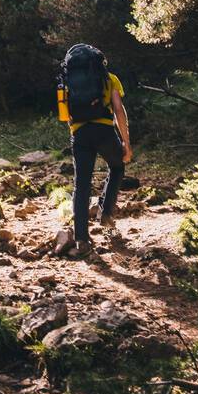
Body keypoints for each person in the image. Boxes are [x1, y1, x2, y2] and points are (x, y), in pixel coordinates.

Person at [55, 46, 132, 259]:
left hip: (80, 134)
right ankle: (106, 212)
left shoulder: (68, 81)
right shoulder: (109, 79)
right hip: (104, 131)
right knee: (117, 166)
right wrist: (126, 142)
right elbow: (118, 110)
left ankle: (81, 239)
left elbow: (65, 113)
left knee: (81, 184)